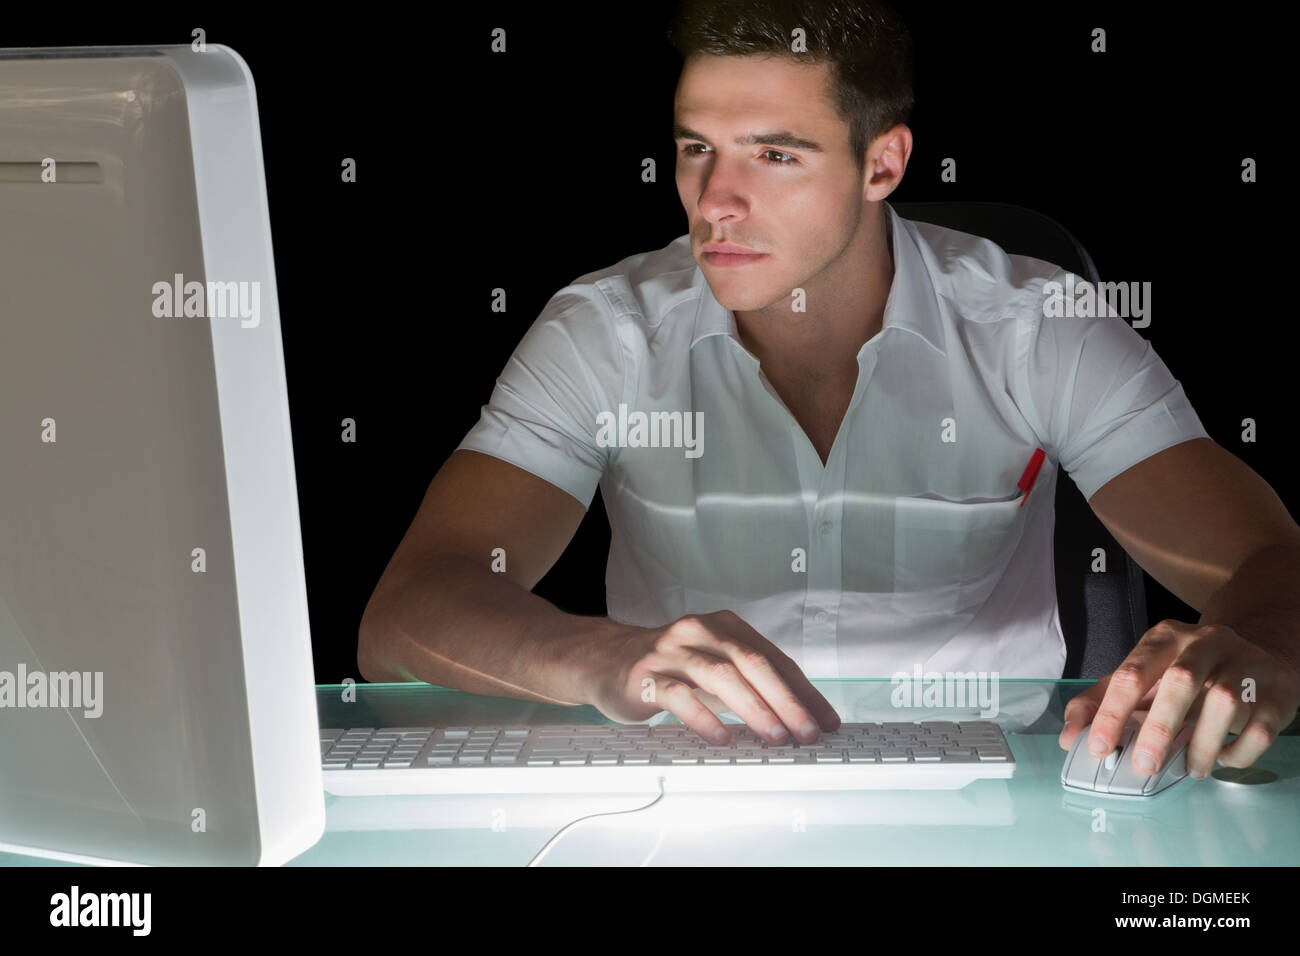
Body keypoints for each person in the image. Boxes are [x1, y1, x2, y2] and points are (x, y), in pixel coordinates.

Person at [359, 0, 1300, 778]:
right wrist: (604, 658)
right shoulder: (606, 333)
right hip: (682, 799)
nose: (716, 201)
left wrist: (1253, 661)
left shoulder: (1036, 328)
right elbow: (407, 614)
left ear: (883, 163)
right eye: (696, 149)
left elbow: (1267, 564)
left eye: (776, 156)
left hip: (991, 798)